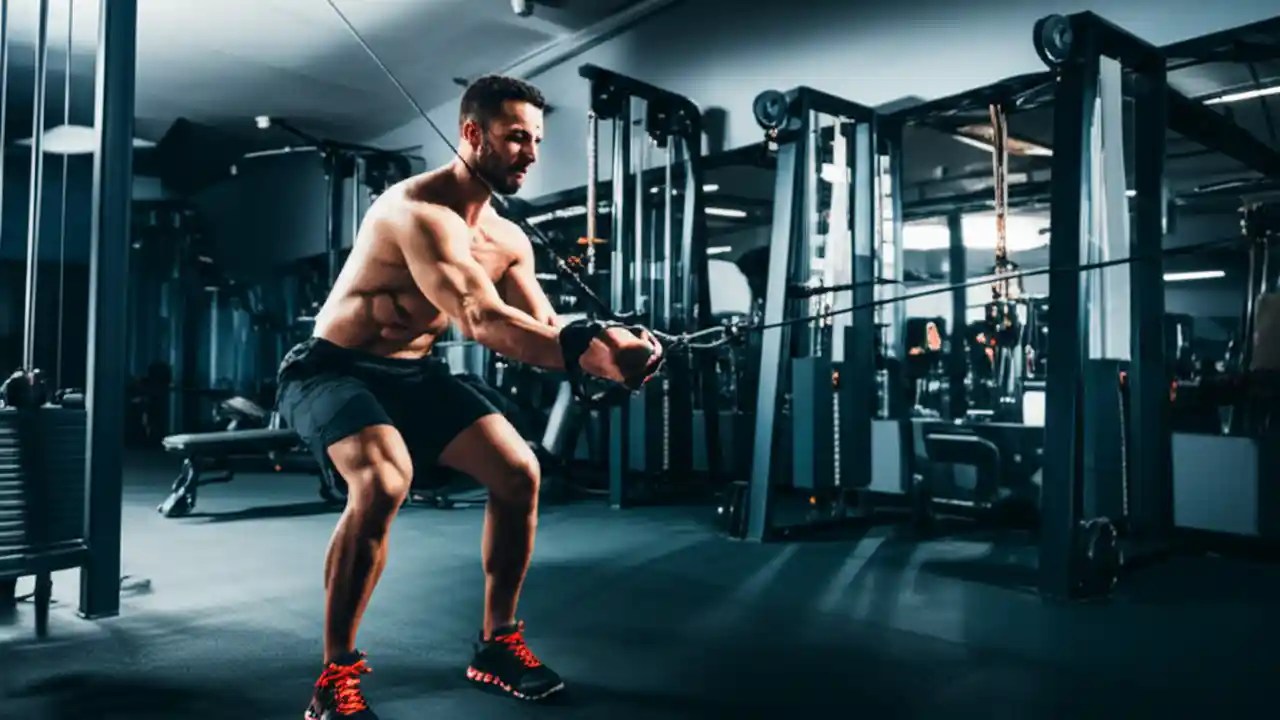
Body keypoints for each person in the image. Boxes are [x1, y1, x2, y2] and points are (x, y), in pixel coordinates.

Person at [276, 75, 662, 719]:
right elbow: (481, 322)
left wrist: (612, 341)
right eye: (516, 137)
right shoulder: (413, 212)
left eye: (536, 140)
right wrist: (594, 354)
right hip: (333, 370)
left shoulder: (508, 241)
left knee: (518, 472)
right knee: (383, 479)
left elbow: (544, 327)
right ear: (471, 134)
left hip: (416, 374)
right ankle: (334, 677)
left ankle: (497, 643)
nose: (531, 154)